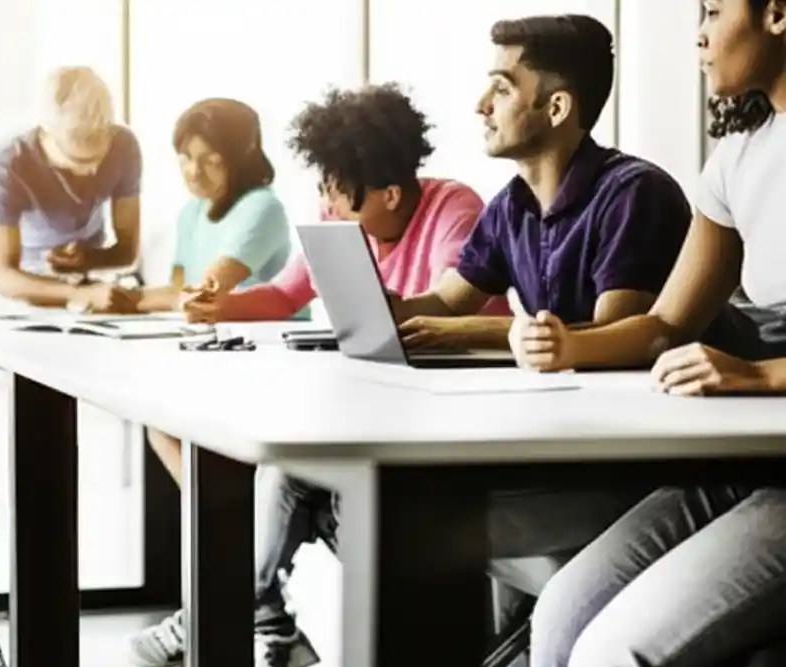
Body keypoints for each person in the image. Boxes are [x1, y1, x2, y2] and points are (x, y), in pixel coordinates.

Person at [508, 1, 786, 667]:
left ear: (778, 14)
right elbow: (665, 322)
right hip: (751, 463)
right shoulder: (741, 154)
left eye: (717, 11)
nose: (699, 33)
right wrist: (566, 345)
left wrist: (759, 374)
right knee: (559, 627)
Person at [387, 15, 694, 354]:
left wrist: (467, 330)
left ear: (556, 107)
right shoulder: (509, 206)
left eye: (502, 89)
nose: (482, 105)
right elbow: (447, 302)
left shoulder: (636, 194)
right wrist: (385, 311)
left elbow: (610, 336)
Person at [179, 84, 494, 325]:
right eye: (324, 188)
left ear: (391, 196)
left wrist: (390, 311)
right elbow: (285, 295)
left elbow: (449, 301)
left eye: (339, 192)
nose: (328, 204)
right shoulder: (338, 219)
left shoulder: (453, 208)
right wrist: (218, 306)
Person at [136, 98, 294, 483]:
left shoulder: (261, 207)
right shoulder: (192, 212)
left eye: (210, 159)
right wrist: (123, 297)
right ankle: (206, 512)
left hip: (260, 362)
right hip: (214, 354)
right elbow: (177, 287)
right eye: (185, 157)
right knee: (153, 417)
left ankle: (213, 513)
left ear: (240, 158)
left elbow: (205, 289)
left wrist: (139, 300)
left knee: (161, 417)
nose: (193, 171)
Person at [0, 66, 143, 314]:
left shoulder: (124, 146)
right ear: (46, 135)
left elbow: (128, 253)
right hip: (27, 295)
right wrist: (79, 294)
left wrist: (88, 258)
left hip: (93, 287)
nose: (92, 172)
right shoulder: (8, 166)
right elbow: (4, 277)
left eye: (99, 160)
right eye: (78, 163)